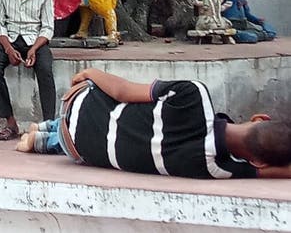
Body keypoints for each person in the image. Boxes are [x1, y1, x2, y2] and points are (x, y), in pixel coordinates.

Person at [16, 67, 291, 180]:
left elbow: (122, 91)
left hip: (77, 103)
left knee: (130, 105)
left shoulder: (194, 95)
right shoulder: (215, 167)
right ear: (259, 162)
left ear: (260, 118)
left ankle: (48, 128)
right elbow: (272, 172)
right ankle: (45, 139)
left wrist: (91, 73)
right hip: (77, 147)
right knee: (125, 136)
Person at [0, 0, 56, 141]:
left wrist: (34, 49)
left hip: (35, 39)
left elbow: (48, 27)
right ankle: (10, 122)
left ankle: (49, 124)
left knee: (45, 70)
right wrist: (9, 49)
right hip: (7, 38)